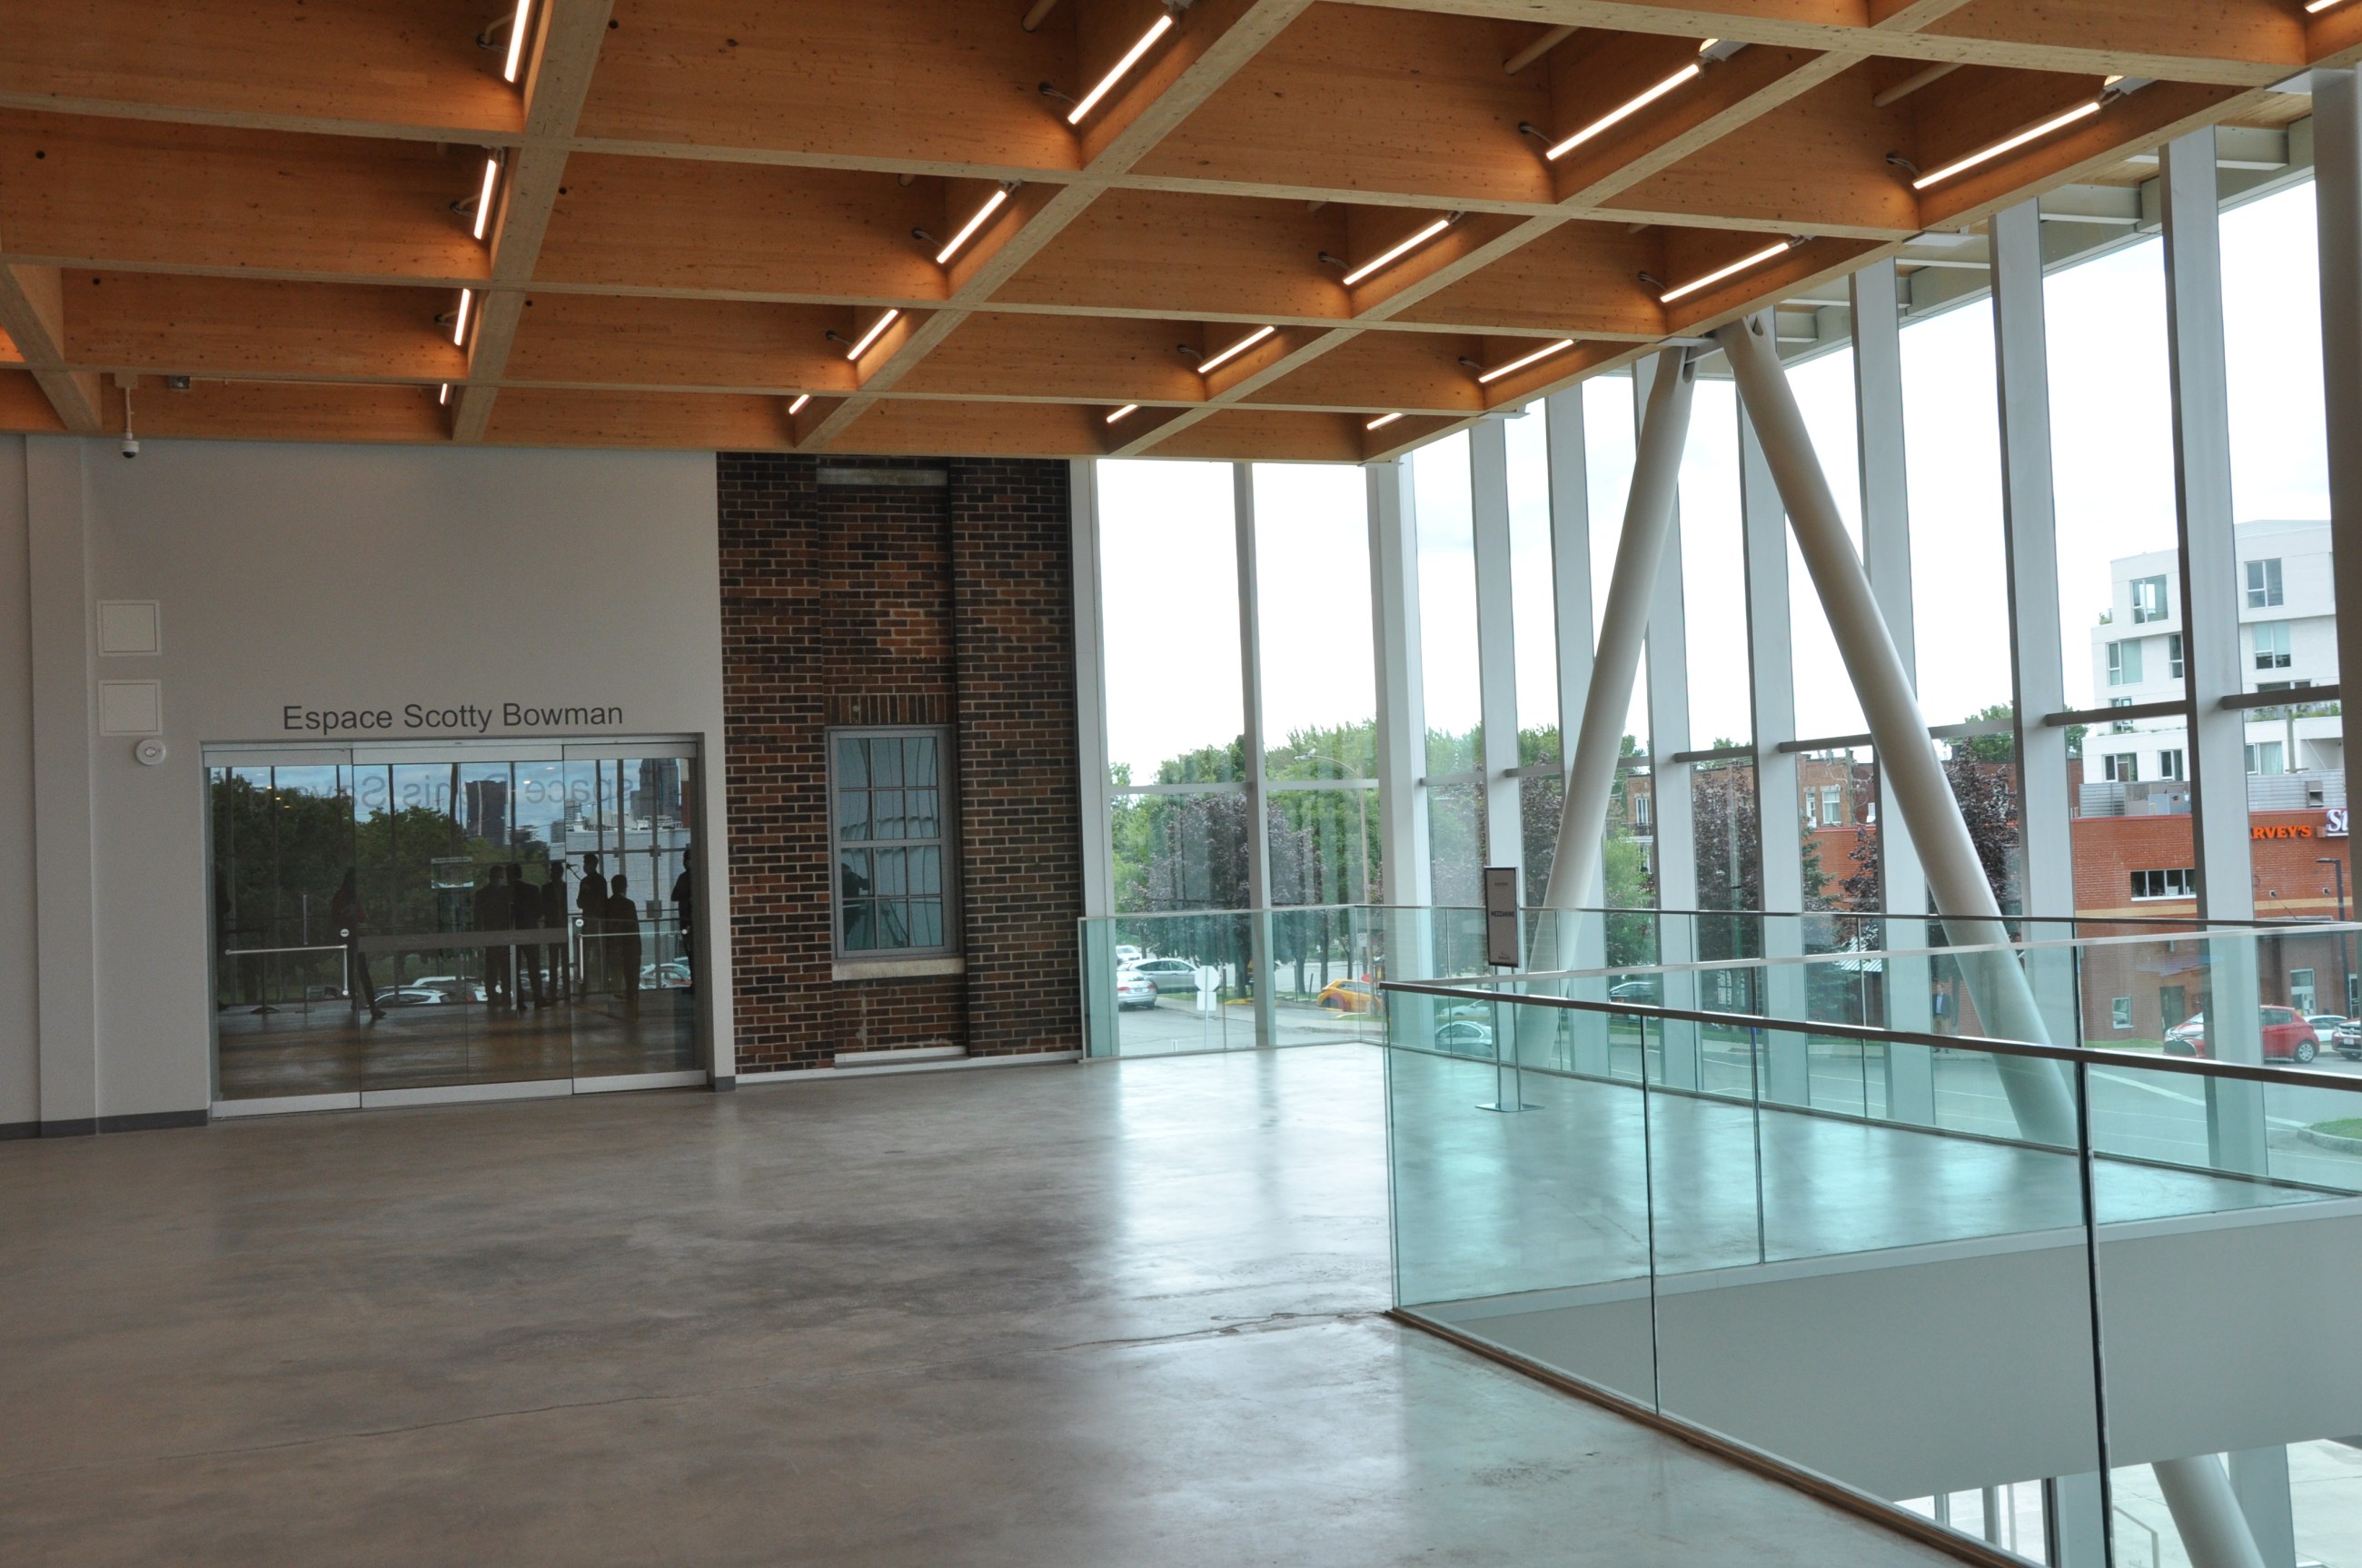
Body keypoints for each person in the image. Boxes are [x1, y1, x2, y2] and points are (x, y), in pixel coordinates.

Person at [330, 868, 383, 1021]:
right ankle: (367, 1004)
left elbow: (361, 917)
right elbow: (339, 917)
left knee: (357, 971)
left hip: (352, 936)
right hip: (349, 936)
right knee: (357, 971)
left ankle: (362, 1002)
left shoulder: (347, 897)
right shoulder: (343, 897)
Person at [473, 865, 510, 1008]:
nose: (499, 880)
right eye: (497, 877)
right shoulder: (483, 894)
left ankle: (503, 994)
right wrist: (479, 935)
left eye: (500, 877)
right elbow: (478, 916)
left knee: (503, 968)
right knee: (493, 968)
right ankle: (493, 995)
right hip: (492, 935)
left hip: (504, 935)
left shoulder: (504, 892)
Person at [608, 871, 641, 1020]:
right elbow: (633, 927)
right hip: (629, 945)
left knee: (616, 974)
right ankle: (632, 1007)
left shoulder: (607, 904)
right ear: (625, 887)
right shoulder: (629, 904)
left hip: (613, 944)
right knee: (631, 976)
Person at [509, 861, 542, 1010]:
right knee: (534, 968)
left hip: (512, 934)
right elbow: (539, 912)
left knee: (514, 969)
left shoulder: (505, 892)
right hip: (530, 932)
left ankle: (519, 1001)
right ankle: (538, 999)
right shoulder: (532, 890)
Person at [540, 860, 572, 1005]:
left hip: (561, 927)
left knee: (563, 962)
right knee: (553, 962)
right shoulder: (546, 889)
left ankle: (565, 990)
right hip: (553, 927)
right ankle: (553, 991)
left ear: (558, 873)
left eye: (553, 871)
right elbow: (543, 908)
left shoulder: (566, 888)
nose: (551, 874)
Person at [576, 852, 605, 1000]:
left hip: (592, 920)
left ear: (592, 864)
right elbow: (581, 902)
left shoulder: (594, 882)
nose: (584, 866)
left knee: (589, 954)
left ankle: (588, 988)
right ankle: (587, 987)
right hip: (591, 920)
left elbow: (597, 902)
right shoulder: (593, 881)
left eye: (586, 863)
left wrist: (588, 894)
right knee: (588, 954)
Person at [671, 865, 693, 986]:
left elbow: (674, 896)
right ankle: (694, 984)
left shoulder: (684, 878)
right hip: (688, 919)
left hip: (686, 919)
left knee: (691, 953)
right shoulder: (685, 878)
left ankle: (694, 985)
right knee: (691, 953)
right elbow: (674, 896)